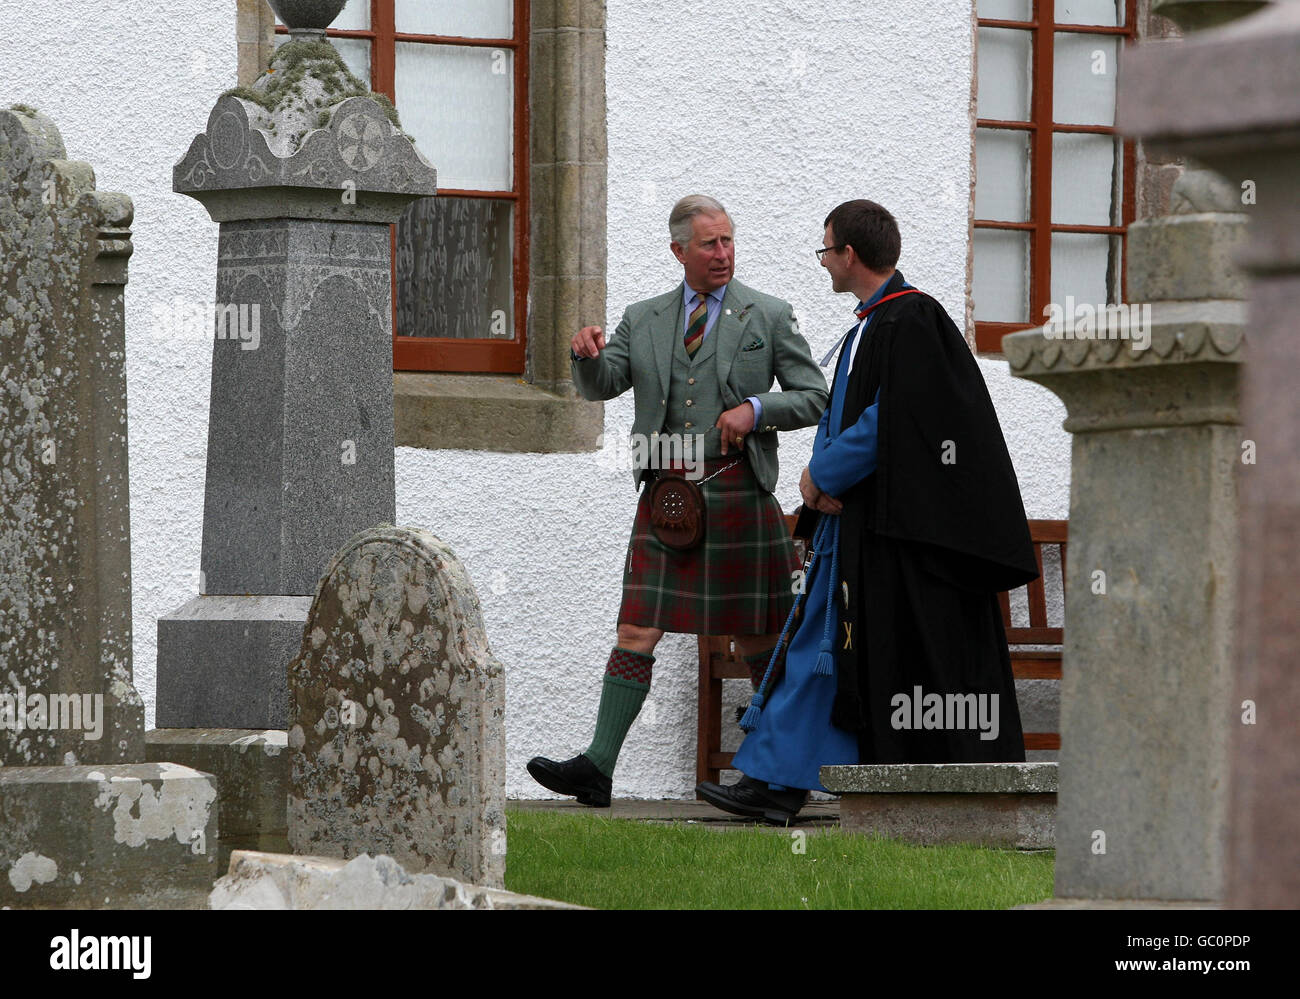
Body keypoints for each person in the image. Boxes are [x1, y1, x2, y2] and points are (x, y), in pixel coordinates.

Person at [697, 199, 1040, 825]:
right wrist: (825, 486)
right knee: (823, 650)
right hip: (857, 526)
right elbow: (858, 417)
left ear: (850, 254)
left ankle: (781, 782)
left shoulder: (910, 321)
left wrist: (817, 475)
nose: (824, 262)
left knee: (827, 649)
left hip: (893, 539)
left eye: (826, 250)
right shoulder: (873, 324)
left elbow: (892, 420)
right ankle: (778, 779)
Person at [526, 195, 829, 807]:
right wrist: (582, 354)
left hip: (738, 490)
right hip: (667, 501)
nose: (723, 254)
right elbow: (601, 382)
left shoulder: (766, 314)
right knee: (636, 627)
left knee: (758, 639)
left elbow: (814, 396)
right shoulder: (645, 318)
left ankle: (778, 775)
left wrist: (756, 409)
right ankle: (597, 768)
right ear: (679, 251)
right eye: (710, 244)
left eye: (728, 241)